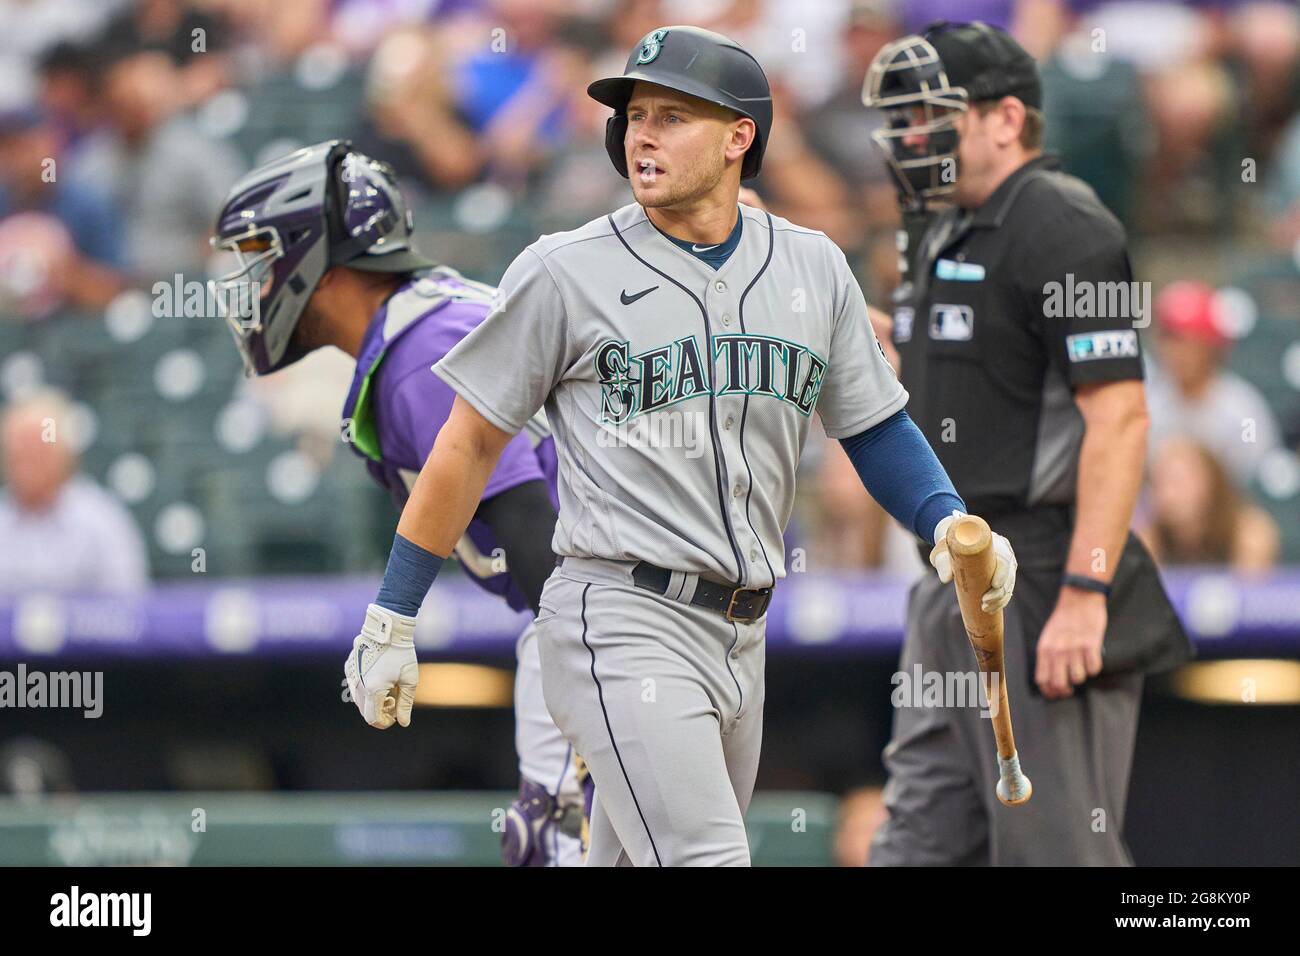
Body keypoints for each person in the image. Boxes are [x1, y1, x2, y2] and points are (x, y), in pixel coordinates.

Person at [347, 25, 1017, 867]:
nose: (643, 135)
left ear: (740, 137)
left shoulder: (813, 267)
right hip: (619, 614)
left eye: (672, 117)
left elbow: (874, 426)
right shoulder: (564, 269)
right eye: (634, 116)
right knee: (707, 858)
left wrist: (947, 521)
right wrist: (393, 614)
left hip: (744, 630)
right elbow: (469, 444)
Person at [863, 20, 1194, 866]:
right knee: (918, 844)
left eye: (931, 115)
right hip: (948, 571)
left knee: (1053, 850)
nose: (910, 136)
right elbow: (924, 364)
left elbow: (1120, 416)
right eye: (901, 119)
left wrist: (1085, 590)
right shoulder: (940, 222)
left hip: (1040, 578)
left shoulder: (1062, 222)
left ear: (1005, 118)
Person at [210, 141, 586, 866]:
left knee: (557, 846)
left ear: (321, 257)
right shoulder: (423, 321)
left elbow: (530, 519)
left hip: (606, 616)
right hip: (619, 610)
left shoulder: (417, 350)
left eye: (265, 256)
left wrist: (591, 675)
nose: (253, 283)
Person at [0, 388, 149, 595]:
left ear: (65, 454)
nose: (28, 462)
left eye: (38, 451)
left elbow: (129, 603)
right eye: (19, 451)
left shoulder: (103, 521)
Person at [1145, 279, 1283, 488]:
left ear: (1211, 346)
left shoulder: (1244, 412)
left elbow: (1258, 474)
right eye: (1168, 339)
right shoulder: (1147, 404)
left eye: (1188, 341)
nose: (1176, 352)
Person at [1141, 436, 1279, 572]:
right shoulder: (1150, 539)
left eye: (1178, 482)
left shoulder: (1247, 532)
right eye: (1159, 484)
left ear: (1210, 484)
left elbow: (1251, 584)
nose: (1167, 494)